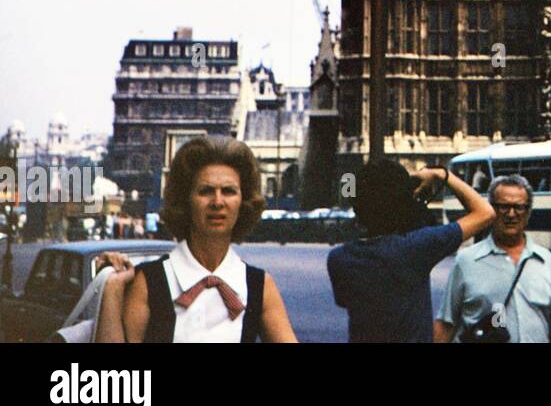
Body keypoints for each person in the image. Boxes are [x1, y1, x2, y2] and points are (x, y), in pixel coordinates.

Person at [121, 136, 296, 343]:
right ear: (185, 200)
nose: (218, 202)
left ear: (243, 201)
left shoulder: (258, 285)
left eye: (229, 191)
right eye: (206, 191)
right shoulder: (149, 282)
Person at [328, 158, 494, 342]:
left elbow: (343, 301)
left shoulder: (339, 259)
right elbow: (485, 213)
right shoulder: (418, 247)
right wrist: (441, 174)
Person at [435, 175, 551, 343]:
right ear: (492, 209)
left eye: (519, 207)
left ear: (528, 212)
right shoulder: (466, 261)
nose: (511, 214)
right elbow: (446, 323)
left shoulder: (546, 261)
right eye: (503, 207)